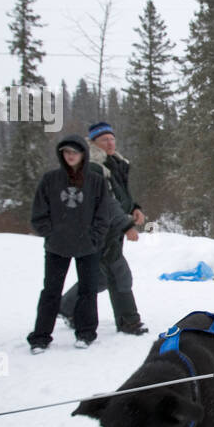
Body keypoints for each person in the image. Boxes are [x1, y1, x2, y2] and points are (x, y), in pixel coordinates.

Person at [57, 122, 148, 335]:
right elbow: (105, 201)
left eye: (112, 138)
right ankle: (129, 321)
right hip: (99, 228)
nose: (110, 142)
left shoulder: (115, 162)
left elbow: (120, 194)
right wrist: (125, 225)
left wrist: (134, 207)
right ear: (93, 143)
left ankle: (66, 307)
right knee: (118, 273)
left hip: (113, 227)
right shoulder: (94, 166)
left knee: (100, 276)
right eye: (104, 139)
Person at [28, 135, 112, 352]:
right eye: (66, 152)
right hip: (57, 246)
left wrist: (95, 237)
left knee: (88, 290)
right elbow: (39, 212)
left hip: (88, 246)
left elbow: (104, 213)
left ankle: (86, 333)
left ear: (83, 154)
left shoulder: (96, 181)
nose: (70, 156)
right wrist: (50, 234)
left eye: (74, 152)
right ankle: (40, 336)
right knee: (51, 291)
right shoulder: (51, 180)